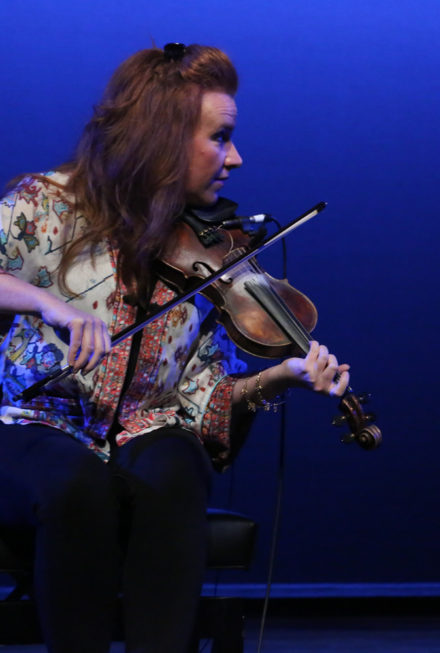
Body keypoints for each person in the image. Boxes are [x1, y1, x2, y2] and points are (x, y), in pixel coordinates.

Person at [0, 43, 349, 652]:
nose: (235, 158)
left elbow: (203, 395)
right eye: (220, 138)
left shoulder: (215, 252)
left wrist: (280, 376)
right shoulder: (47, 204)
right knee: (75, 485)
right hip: (35, 421)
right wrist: (44, 302)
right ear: (162, 138)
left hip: (145, 427)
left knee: (176, 469)